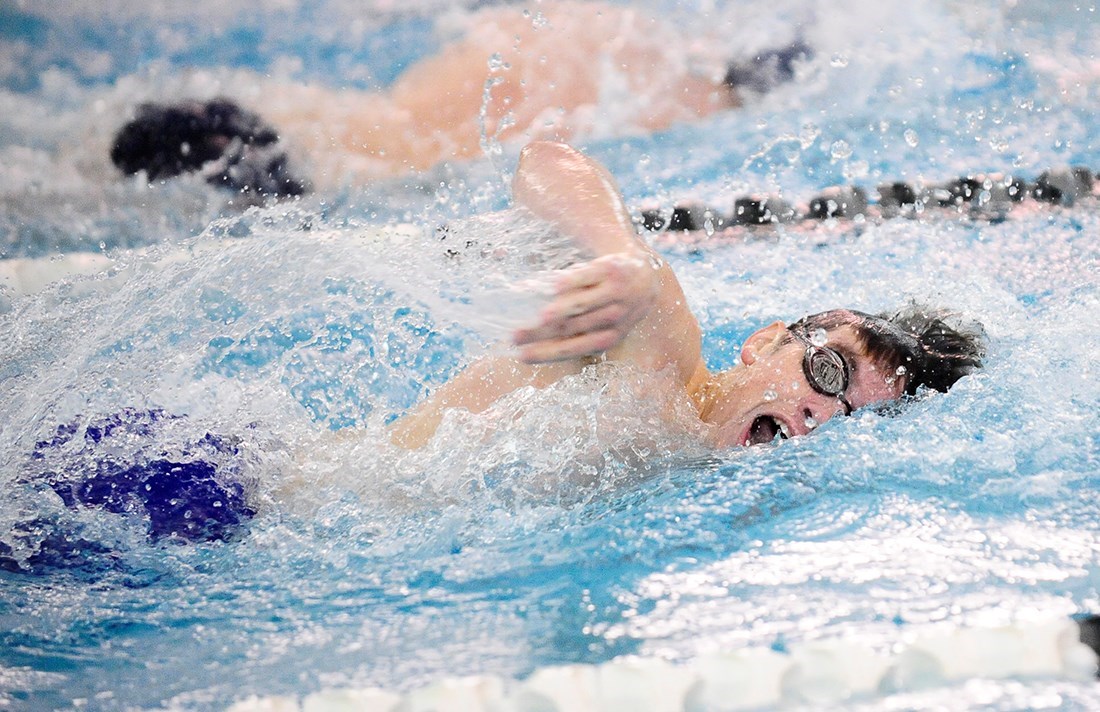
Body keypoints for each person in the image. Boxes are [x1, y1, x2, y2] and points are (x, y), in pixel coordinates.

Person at [388, 140, 985, 449]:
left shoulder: (693, 470)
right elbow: (548, 161)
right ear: (764, 342)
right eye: (828, 373)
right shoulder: (660, 366)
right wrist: (620, 254)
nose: (821, 414)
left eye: (854, 417)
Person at [108, 2, 811, 195]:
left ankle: (249, 150)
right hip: (384, 162)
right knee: (402, 152)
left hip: (363, 110)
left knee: (386, 124)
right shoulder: (673, 84)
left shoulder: (585, 21)